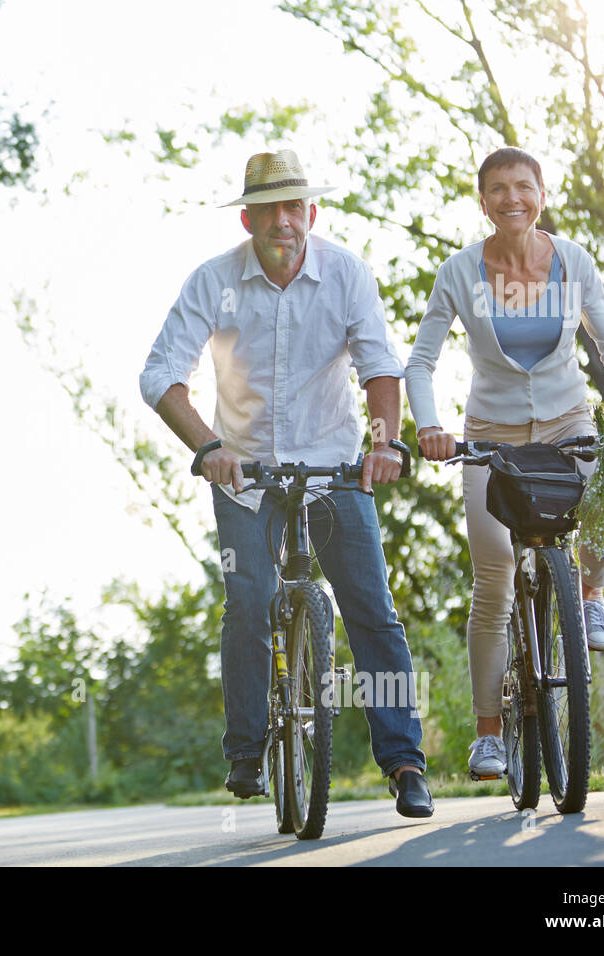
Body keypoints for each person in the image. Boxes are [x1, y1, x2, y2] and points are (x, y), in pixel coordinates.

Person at [139, 149, 433, 817]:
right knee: (249, 598)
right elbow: (161, 376)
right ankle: (247, 751)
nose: (282, 221)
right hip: (242, 472)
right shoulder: (213, 281)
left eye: (293, 207)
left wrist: (384, 442)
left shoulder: (346, 275)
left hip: (333, 465)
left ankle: (406, 763)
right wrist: (209, 447)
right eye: (268, 209)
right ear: (247, 218)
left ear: (312, 213)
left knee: (371, 611)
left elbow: (378, 366)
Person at [406, 146, 604, 778]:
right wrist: (429, 427)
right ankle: (489, 733)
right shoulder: (459, 272)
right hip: (491, 439)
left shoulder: (574, 263)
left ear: (541, 193)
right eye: (497, 188)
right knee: (492, 580)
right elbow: (421, 362)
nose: (511, 197)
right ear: (482, 199)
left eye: (523, 185)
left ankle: (591, 593)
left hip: (569, 423)